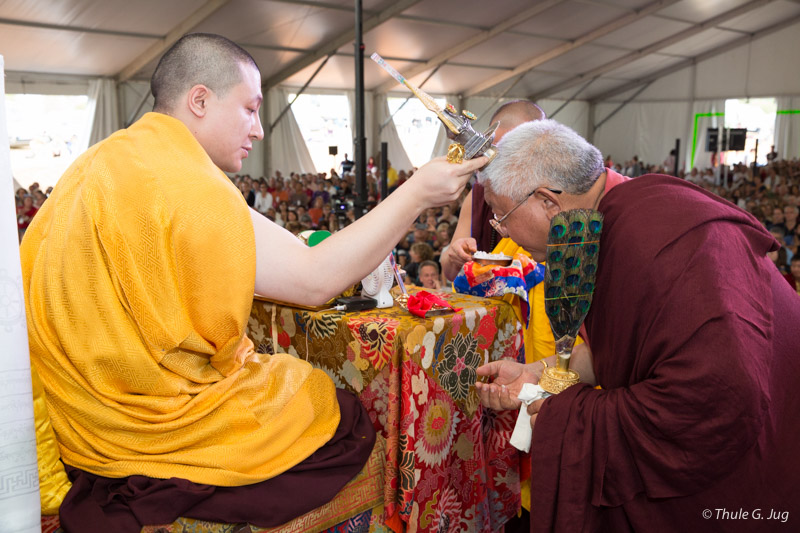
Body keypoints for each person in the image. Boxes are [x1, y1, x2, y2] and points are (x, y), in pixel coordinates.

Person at [20, 33, 487, 532]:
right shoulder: (189, 185)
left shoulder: (96, 163)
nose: (260, 130)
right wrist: (416, 193)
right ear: (199, 100)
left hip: (71, 416)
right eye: (249, 109)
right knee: (328, 407)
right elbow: (314, 282)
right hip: (143, 424)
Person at [474, 119, 799, 532]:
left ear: (547, 202)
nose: (505, 235)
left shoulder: (650, 237)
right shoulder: (602, 221)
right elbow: (619, 352)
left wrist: (560, 415)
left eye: (502, 217)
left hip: (755, 471)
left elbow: (718, 398)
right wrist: (540, 377)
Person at [439, 100, 546, 282]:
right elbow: (449, 271)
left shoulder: (555, 196)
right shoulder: (479, 195)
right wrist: (455, 256)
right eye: (497, 149)